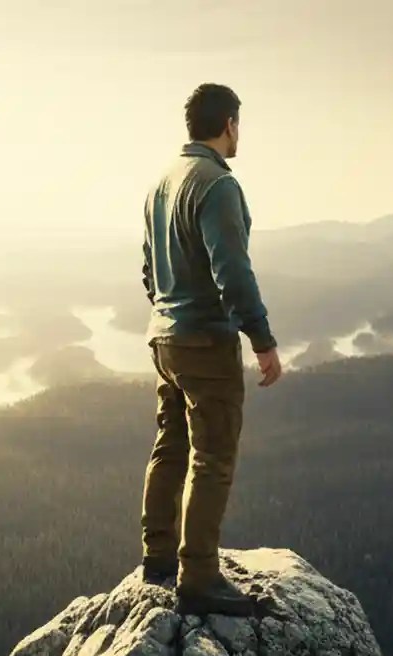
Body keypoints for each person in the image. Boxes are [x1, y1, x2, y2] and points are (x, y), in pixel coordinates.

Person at [138, 83, 282, 616]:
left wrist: (168, 313)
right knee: (213, 457)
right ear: (228, 124)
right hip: (205, 343)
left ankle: (157, 561)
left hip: (165, 339)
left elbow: (150, 270)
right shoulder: (218, 185)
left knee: (169, 447)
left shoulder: (162, 183)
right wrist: (261, 339)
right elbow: (233, 271)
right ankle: (198, 576)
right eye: (238, 125)